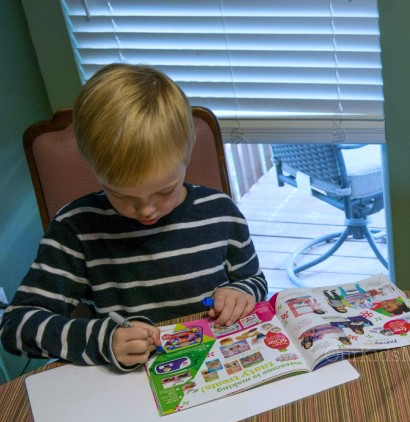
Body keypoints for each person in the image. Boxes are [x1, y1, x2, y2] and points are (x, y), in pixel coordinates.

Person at [0, 64, 267, 371]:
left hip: (219, 365)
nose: (147, 211)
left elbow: (253, 280)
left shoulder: (220, 211)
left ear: (186, 155)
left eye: (164, 191)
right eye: (122, 195)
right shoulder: (75, 229)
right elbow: (15, 327)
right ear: (94, 169)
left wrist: (240, 293)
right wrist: (103, 340)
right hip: (128, 386)